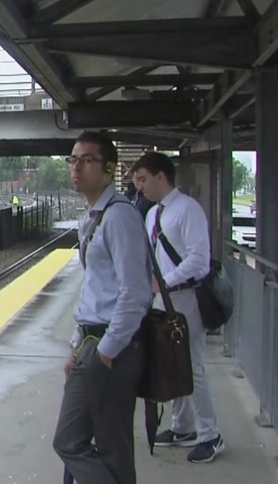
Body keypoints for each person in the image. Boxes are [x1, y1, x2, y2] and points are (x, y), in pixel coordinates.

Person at [52, 131, 152, 484]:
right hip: (92, 343)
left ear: (109, 169)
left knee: (102, 444)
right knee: (83, 442)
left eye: (86, 160)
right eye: (73, 160)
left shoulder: (120, 217)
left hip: (112, 347)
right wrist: (75, 346)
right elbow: (96, 289)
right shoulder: (97, 215)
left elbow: (135, 291)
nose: (76, 167)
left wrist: (107, 350)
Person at [132, 151, 225, 463]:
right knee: (174, 362)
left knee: (193, 366)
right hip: (164, 298)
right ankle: (182, 427)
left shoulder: (188, 209)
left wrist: (165, 282)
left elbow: (199, 259)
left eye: (143, 179)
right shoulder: (154, 213)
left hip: (186, 297)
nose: (139, 186)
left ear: (161, 176)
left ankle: (210, 434)